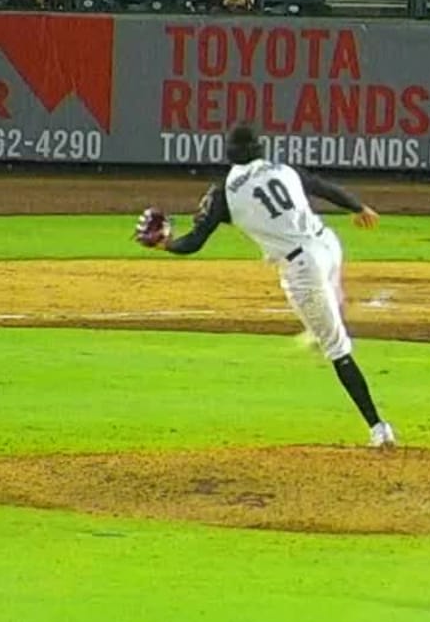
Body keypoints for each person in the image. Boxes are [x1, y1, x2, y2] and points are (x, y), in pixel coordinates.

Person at [132, 126, 396, 449]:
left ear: (228, 155)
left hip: (302, 268)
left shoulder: (223, 193)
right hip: (328, 246)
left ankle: (379, 428)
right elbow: (323, 187)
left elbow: (194, 243)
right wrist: (358, 206)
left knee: (336, 347)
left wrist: (165, 245)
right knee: (324, 297)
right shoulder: (283, 169)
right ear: (259, 149)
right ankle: (329, 308)